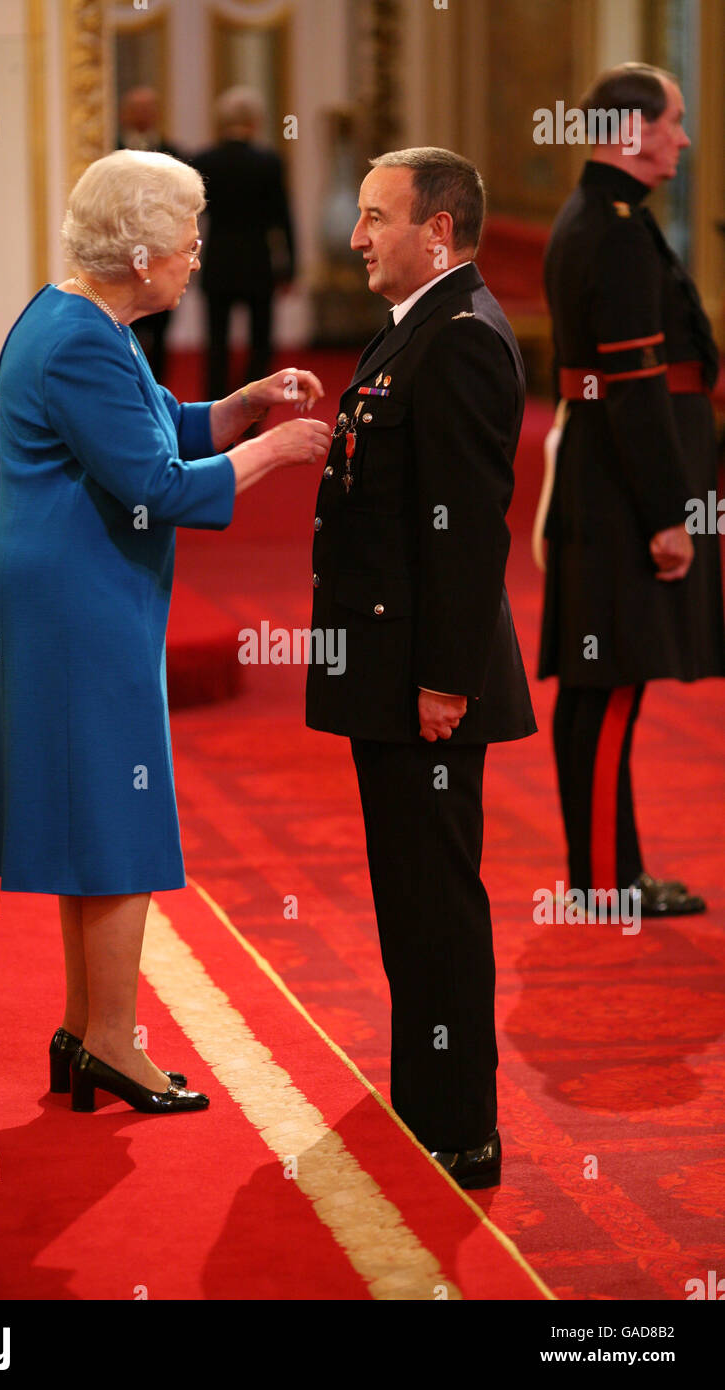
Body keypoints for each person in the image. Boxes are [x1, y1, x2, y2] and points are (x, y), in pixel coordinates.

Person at [0, 149, 329, 1117]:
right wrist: (274, 448)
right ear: (137, 253)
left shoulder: (78, 315)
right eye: (187, 243)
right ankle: (111, 1042)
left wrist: (238, 405)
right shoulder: (85, 336)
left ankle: (87, 1029)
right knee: (119, 814)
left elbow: (151, 425)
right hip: (76, 597)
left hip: (62, 587)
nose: (197, 258)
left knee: (88, 806)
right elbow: (154, 484)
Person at [305, 148, 536, 1189]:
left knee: (435, 900)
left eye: (373, 217)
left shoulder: (460, 342)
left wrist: (445, 679)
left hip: (425, 682)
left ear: (433, 230)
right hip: (392, 669)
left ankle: (459, 1126)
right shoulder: (416, 331)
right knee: (405, 892)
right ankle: (420, 1096)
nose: (355, 237)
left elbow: (465, 534)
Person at [538, 62, 724, 916]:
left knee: (602, 687)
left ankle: (607, 872)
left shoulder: (605, 216)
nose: (683, 138)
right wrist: (670, 516)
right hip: (624, 490)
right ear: (630, 132)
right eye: (673, 121)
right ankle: (606, 883)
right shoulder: (612, 229)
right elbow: (638, 391)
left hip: (603, 474)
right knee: (611, 687)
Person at [192, 87, 296, 401]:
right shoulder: (269, 161)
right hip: (258, 261)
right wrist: (290, 266)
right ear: (255, 121)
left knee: (216, 342)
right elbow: (284, 218)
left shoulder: (205, 160)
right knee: (261, 341)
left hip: (218, 259)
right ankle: (253, 404)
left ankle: (215, 404)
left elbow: (195, 216)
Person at [117, 87, 184, 383]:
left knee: (160, 333)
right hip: (122, 257)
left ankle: (157, 393)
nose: (143, 115)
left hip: (161, 257)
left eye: (149, 108)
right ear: (124, 114)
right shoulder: (109, 151)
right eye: (136, 108)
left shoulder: (176, 155)